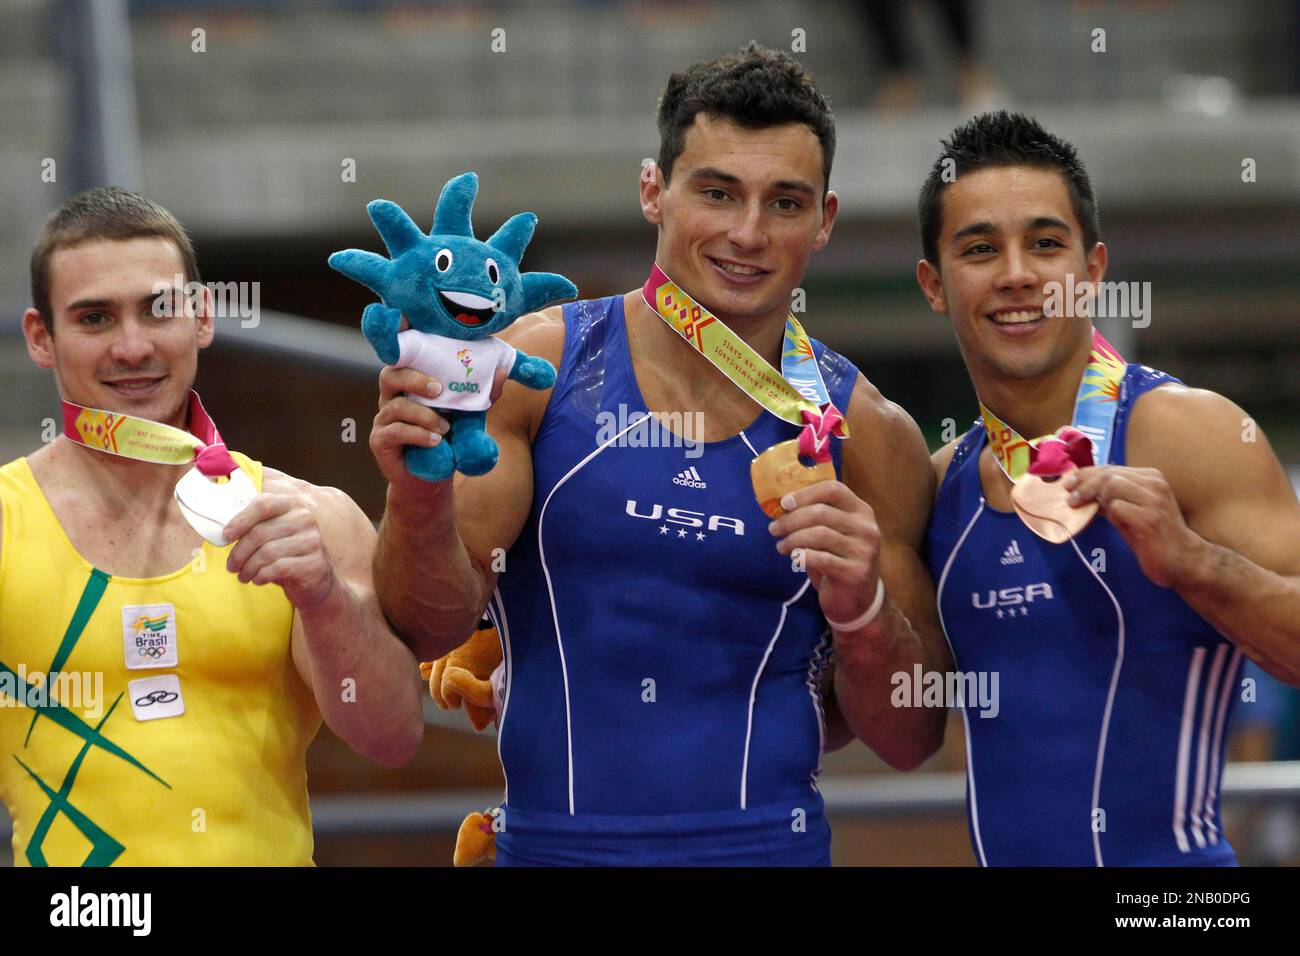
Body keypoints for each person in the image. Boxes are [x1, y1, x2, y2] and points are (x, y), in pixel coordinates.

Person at [367, 44, 953, 866]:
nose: (747, 233)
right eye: (717, 193)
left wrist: (861, 611)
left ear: (824, 220)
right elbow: (425, 625)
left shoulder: (869, 432)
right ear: (654, 191)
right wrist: (416, 493)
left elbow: (909, 737)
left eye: (784, 203)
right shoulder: (537, 371)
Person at [917, 112, 1300, 865]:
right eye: (980, 249)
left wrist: (1192, 562)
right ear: (934, 284)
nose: (1018, 273)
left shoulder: (1190, 433)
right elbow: (904, 730)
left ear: (1093, 270)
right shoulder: (941, 486)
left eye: (1046, 243)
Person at [0, 187, 424, 866]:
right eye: (95, 319)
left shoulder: (307, 516)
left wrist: (322, 599)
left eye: (157, 310)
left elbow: (392, 738)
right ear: (41, 338)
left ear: (201, 317)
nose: (132, 347)